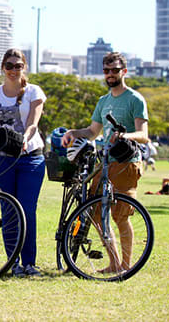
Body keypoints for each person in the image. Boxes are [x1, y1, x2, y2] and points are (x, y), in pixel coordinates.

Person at [62, 51, 150, 274]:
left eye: (115, 70)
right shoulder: (103, 101)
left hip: (127, 161)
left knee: (121, 215)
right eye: (106, 70)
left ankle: (126, 266)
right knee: (95, 213)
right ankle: (114, 263)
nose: (110, 74)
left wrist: (124, 136)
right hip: (106, 163)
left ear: (124, 71)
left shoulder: (135, 99)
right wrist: (73, 132)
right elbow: (93, 131)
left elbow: (143, 135)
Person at [0, 48, 47, 278]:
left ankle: (29, 263)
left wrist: (24, 139)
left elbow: (32, 123)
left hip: (30, 157)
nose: (13, 70)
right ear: (3, 67)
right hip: (4, 159)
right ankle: (13, 262)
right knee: (9, 210)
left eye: (18, 66)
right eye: (9, 66)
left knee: (27, 210)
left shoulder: (33, 91)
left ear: (24, 68)